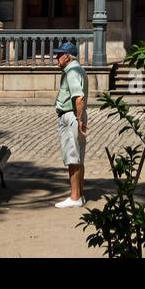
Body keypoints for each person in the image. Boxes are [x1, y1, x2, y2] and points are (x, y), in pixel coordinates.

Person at [52, 42, 88, 208]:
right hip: (75, 115)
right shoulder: (78, 69)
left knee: (73, 158)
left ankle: (75, 197)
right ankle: (79, 193)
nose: (57, 58)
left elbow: (78, 97)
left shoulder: (72, 72)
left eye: (59, 55)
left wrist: (79, 120)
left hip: (71, 116)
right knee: (78, 157)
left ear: (67, 56)